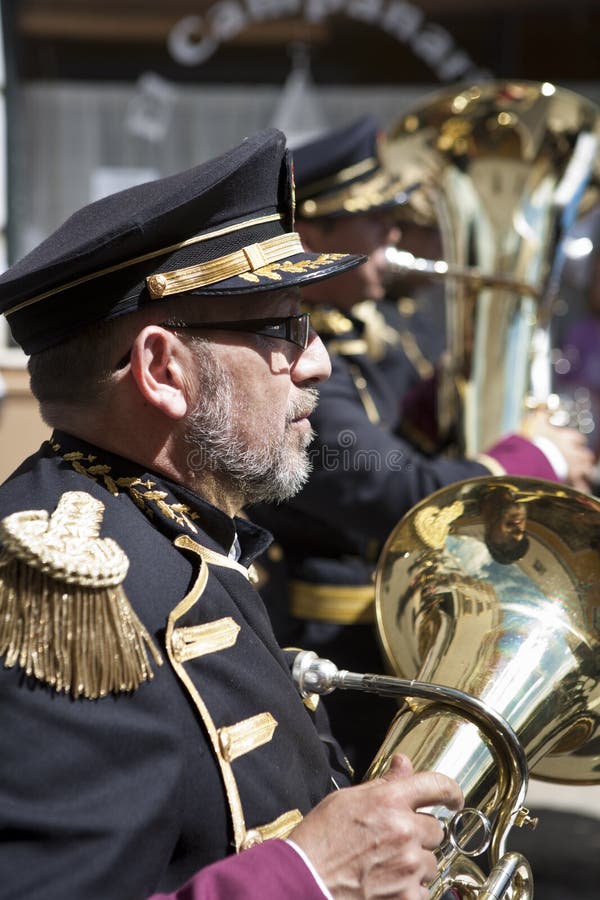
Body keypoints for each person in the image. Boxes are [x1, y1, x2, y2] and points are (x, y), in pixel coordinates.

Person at [0, 128, 463, 899]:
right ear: (163, 369)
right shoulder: (64, 589)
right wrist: (309, 876)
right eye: (284, 328)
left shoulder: (169, 519)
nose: (317, 362)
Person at [250, 116, 595, 779]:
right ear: (313, 234)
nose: (394, 235)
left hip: (399, 620)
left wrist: (480, 372)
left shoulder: (383, 333)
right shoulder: (297, 355)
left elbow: (403, 441)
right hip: (338, 641)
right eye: (375, 220)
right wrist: (537, 457)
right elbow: (391, 488)